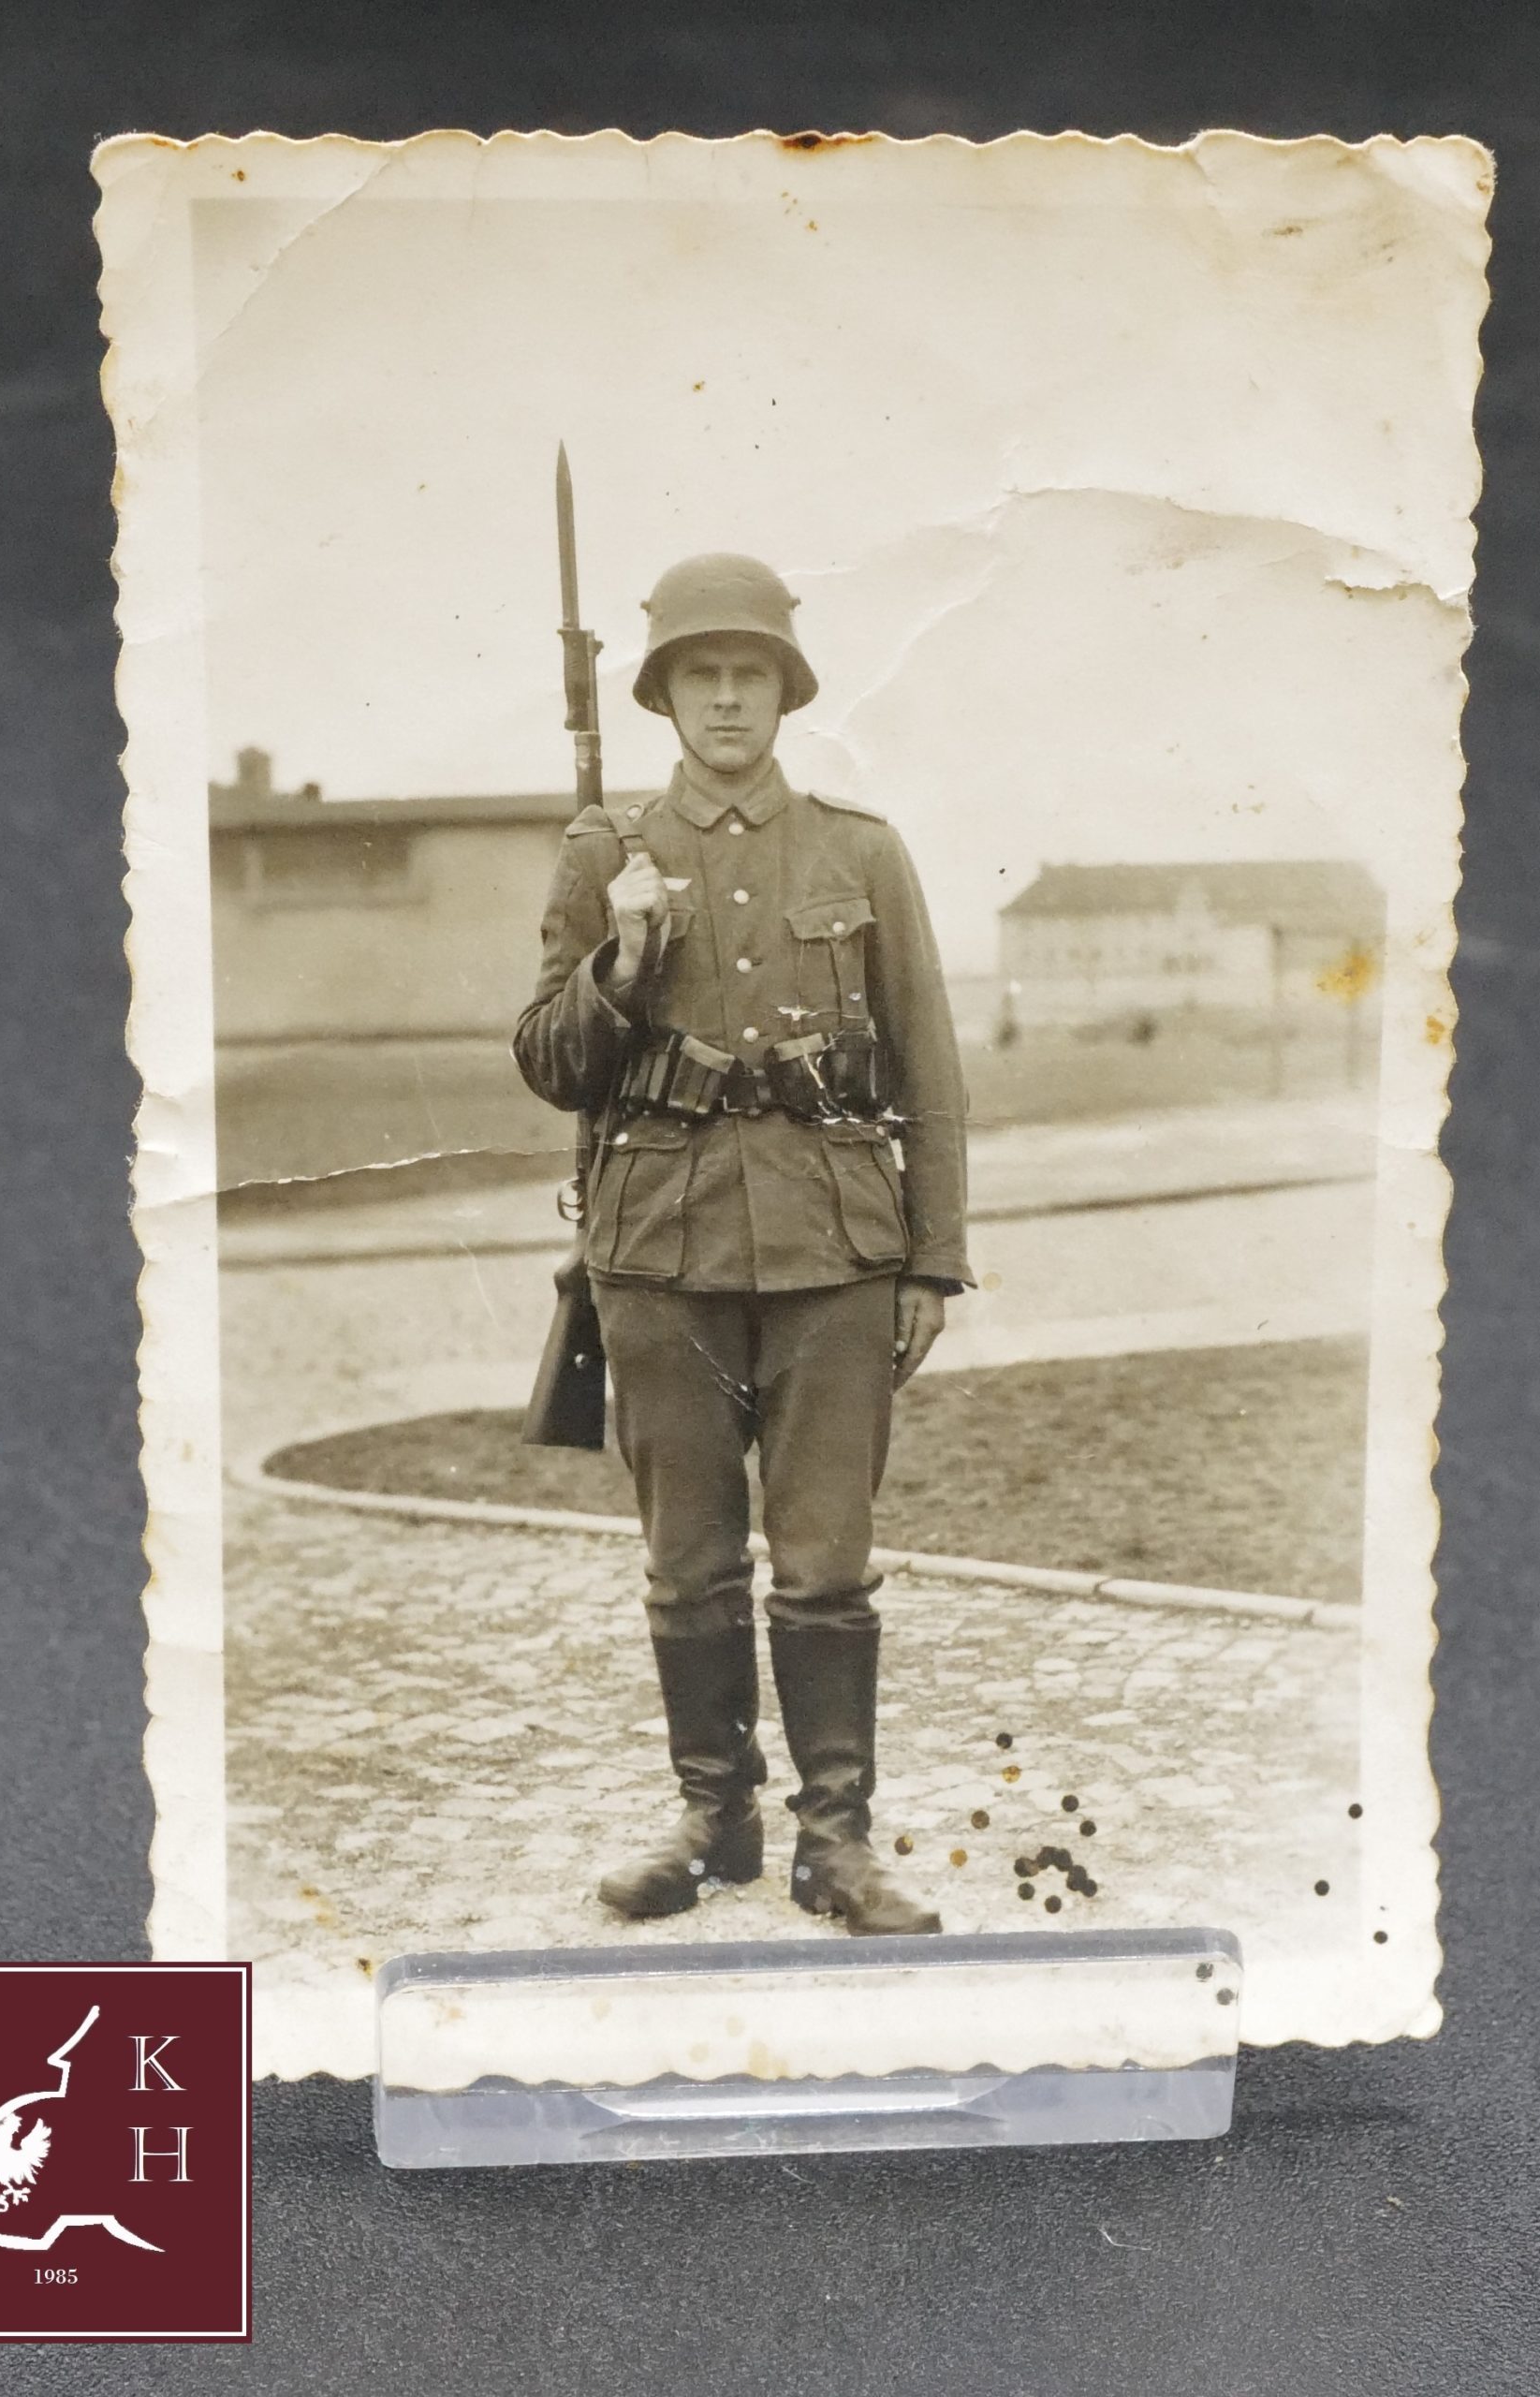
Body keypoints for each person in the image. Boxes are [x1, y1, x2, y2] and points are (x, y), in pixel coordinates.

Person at [512, 553, 971, 1936]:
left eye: (748, 673)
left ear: (782, 690)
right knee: (689, 1565)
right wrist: (625, 962)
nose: (725, 697)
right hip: (657, 1254)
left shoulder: (859, 849)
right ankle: (715, 1827)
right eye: (700, 674)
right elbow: (548, 1060)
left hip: (839, 1256)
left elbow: (931, 1067)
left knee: (827, 1562)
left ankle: (836, 1846)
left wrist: (932, 1260)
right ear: (660, 696)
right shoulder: (605, 854)